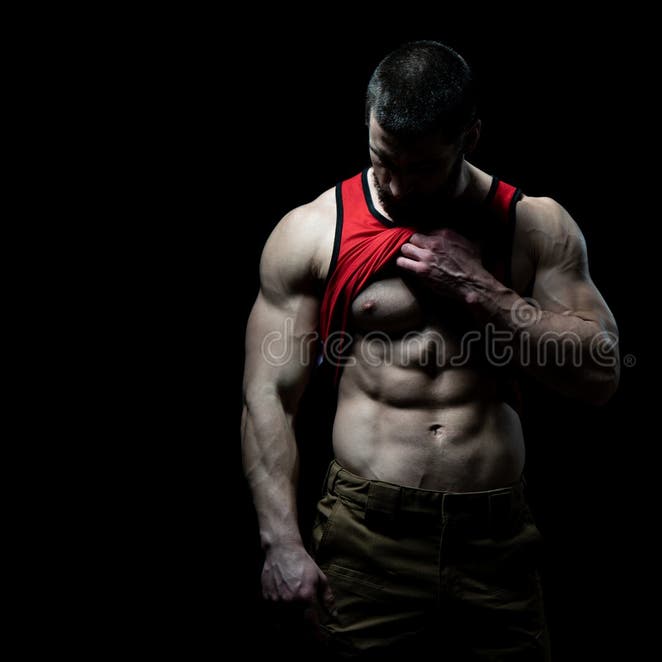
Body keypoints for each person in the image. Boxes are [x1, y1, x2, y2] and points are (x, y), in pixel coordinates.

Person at [241, 40, 620, 661]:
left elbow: (600, 374)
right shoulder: (314, 231)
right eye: (381, 159)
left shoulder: (533, 226)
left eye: (418, 168)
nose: (394, 183)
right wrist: (280, 544)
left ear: (469, 137)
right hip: (366, 540)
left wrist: (482, 290)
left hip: (496, 543)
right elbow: (268, 397)